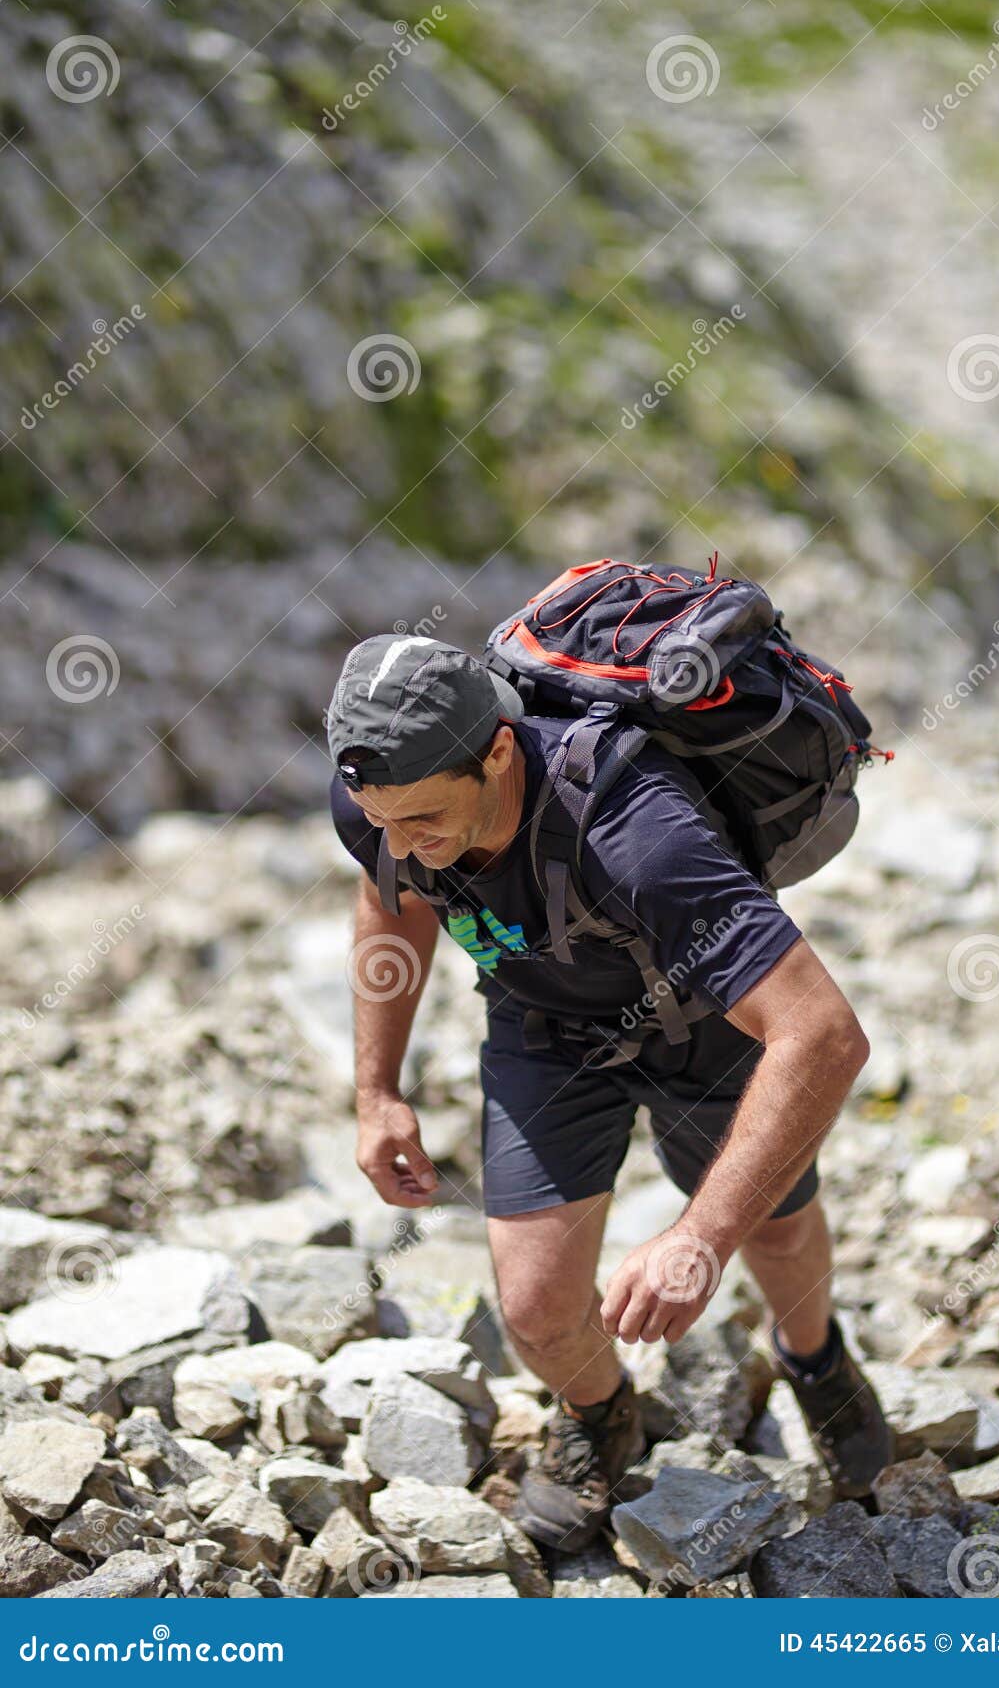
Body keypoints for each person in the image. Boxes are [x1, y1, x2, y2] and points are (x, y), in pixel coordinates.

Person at [325, 632, 894, 1552]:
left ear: (499, 750)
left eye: (423, 818)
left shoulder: (638, 832)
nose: (398, 840)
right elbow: (390, 898)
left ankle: (814, 1357)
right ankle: (599, 1415)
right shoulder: (384, 796)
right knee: (538, 1311)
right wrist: (374, 1088)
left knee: (775, 1226)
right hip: (542, 1033)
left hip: (701, 1025)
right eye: (378, 818)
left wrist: (700, 1240)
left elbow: (823, 1036)